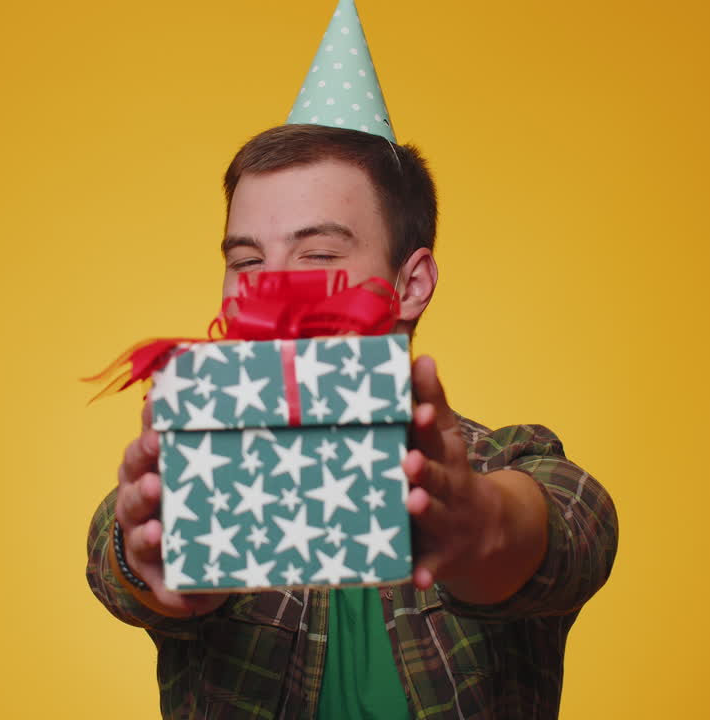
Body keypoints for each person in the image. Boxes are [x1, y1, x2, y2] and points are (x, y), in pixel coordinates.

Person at [87, 3, 618, 718]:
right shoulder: (195, 466)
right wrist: (150, 557)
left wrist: (477, 526)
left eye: (319, 256)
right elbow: (112, 554)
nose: (273, 288)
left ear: (411, 283)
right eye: (247, 261)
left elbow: (578, 527)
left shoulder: (512, 460)